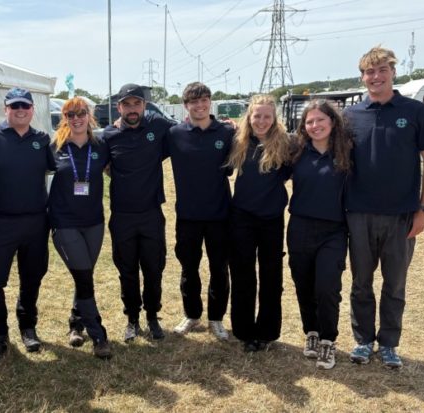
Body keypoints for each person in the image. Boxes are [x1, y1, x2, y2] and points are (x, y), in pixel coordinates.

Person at [344, 46, 424, 369]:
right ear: (362, 77)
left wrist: (423, 209)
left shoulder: (416, 112)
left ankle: (388, 344)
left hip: (402, 216)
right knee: (361, 282)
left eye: (382, 70)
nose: (375, 77)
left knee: (395, 283)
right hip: (358, 213)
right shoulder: (350, 116)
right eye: (369, 72)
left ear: (393, 72)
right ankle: (362, 341)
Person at [0, 87, 55, 358]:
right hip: (3, 222)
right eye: (14, 106)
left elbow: (55, 169)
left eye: (25, 106)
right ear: (5, 109)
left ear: (32, 109)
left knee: (32, 276)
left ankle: (28, 326)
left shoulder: (42, 139)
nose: (20, 110)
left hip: (36, 221)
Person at [103, 83, 172, 341]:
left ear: (144, 106)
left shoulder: (158, 128)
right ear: (118, 107)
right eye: (127, 104)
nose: (132, 109)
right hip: (122, 216)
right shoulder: (108, 136)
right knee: (127, 270)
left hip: (151, 213)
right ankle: (132, 318)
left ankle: (153, 316)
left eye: (137, 104)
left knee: (154, 269)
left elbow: (188, 131)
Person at [166, 82, 234, 341]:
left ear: (210, 102)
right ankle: (192, 314)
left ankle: (216, 319)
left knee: (219, 268)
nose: (200, 105)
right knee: (189, 268)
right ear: (186, 106)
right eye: (194, 101)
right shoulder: (174, 134)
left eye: (204, 100)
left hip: (219, 215)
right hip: (187, 216)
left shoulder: (227, 132)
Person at [288, 101, 353, 369]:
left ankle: (328, 340)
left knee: (327, 287)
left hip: (334, 230)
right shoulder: (297, 151)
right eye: (309, 122)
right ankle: (311, 333)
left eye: (319, 120)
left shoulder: (347, 152)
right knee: (303, 285)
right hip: (300, 226)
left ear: (332, 121)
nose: (315, 126)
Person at [226, 94, 292, 353]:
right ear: (249, 117)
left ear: (274, 118)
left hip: (272, 219)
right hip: (241, 217)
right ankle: (244, 332)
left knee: (271, 277)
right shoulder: (238, 141)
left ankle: (267, 331)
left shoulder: (286, 144)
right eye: (257, 116)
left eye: (267, 116)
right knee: (242, 275)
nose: (262, 121)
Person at [48, 97, 112, 359]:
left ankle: (76, 323)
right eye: (70, 114)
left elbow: (117, 170)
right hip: (64, 223)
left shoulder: (101, 146)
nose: (76, 119)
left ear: (89, 116)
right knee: (84, 277)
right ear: (65, 118)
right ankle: (99, 335)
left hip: (94, 222)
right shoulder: (54, 147)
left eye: (81, 113)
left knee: (82, 274)